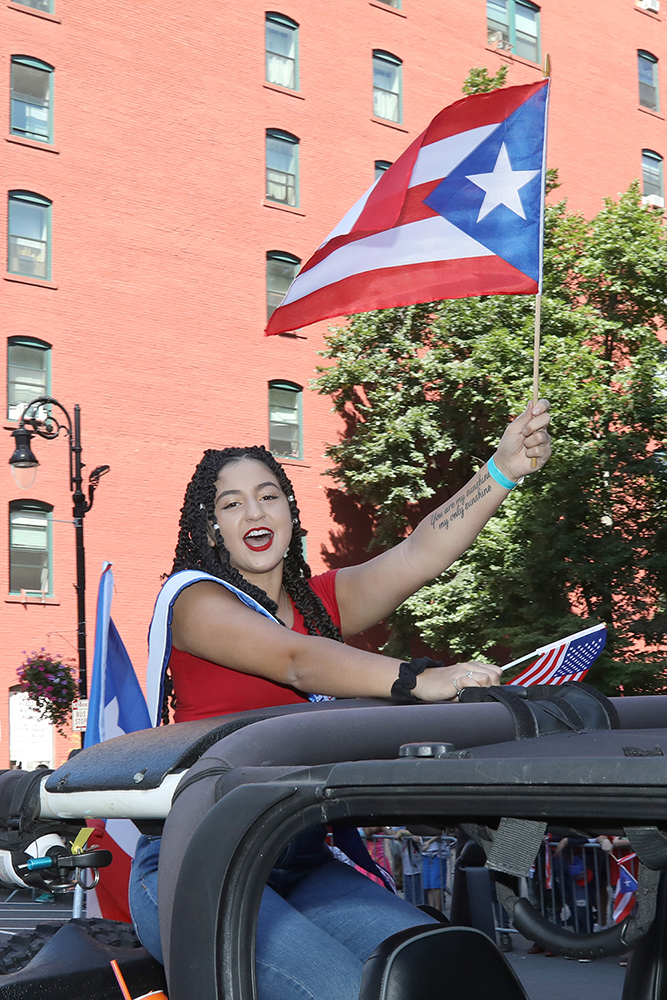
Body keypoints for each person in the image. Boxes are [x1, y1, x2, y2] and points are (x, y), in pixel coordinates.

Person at [129, 400, 551, 1000]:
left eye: (269, 494)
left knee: (441, 970)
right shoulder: (194, 602)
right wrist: (417, 678)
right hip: (196, 864)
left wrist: (502, 470)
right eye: (231, 502)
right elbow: (295, 658)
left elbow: (418, 555)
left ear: (289, 511)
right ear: (210, 529)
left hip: (297, 856)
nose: (254, 510)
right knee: (343, 989)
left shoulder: (318, 603)